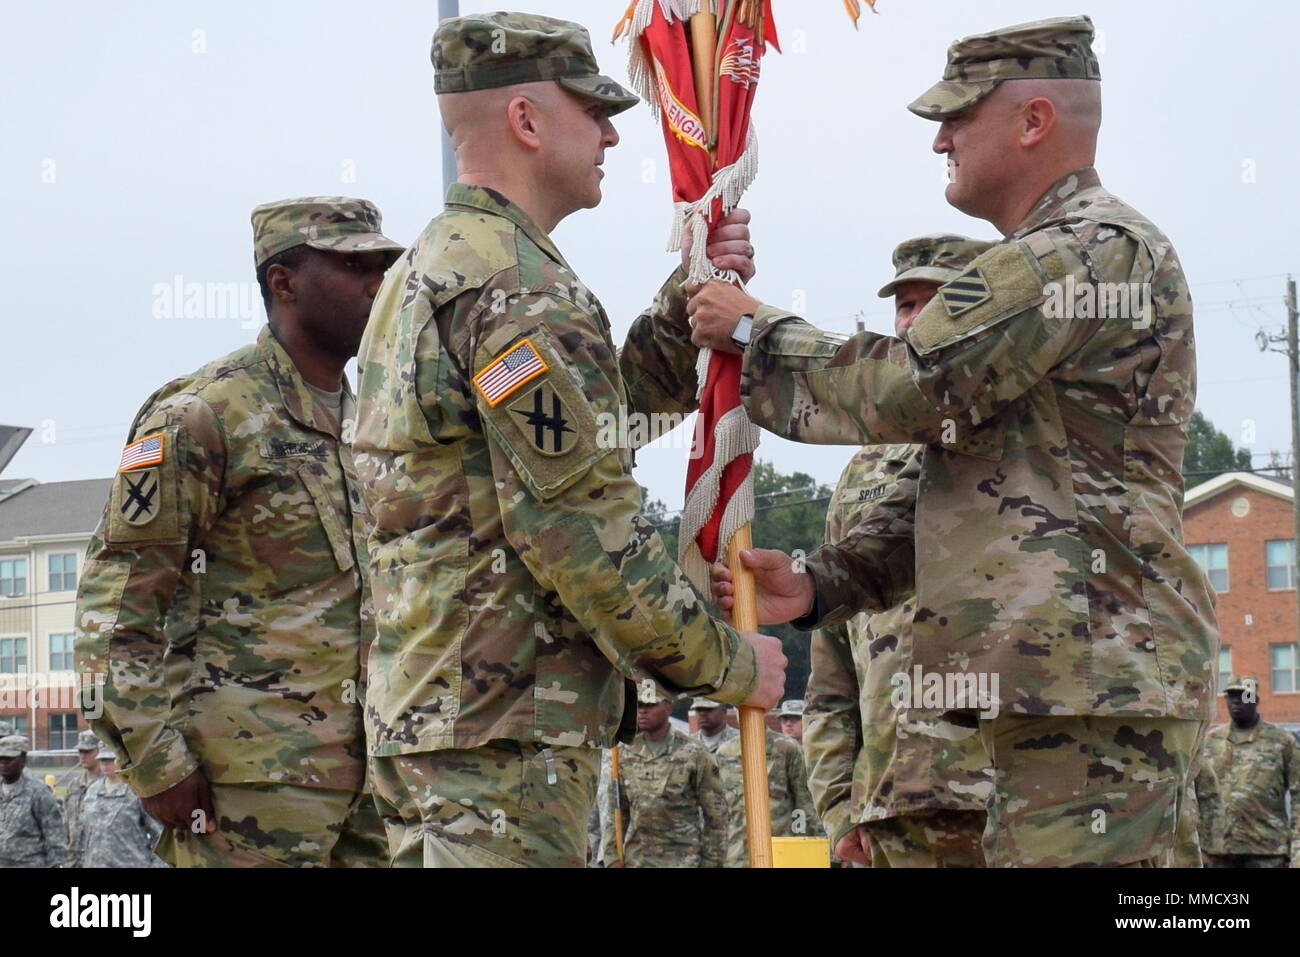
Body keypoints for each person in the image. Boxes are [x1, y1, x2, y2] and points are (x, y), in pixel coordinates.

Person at [695, 15, 1217, 867]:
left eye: (957, 115)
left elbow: (912, 384)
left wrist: (757, 332)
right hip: (1062, 689)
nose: (939, 137)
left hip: (1093, 684)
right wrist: (823, 583)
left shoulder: (1089, 251)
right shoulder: (1047, 257)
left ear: (1034, 120)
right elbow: (971, 482)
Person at [353, 12, 785, 868]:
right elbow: (585, 531)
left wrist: (680, 308)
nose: (614, 134)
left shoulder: (433, 269)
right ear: (525, 120)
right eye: (593, 110)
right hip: (504, 736)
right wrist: (728, 663)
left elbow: (592, 437)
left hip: (441, 723)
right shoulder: (517, 288)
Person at [74, 197, 404, 867]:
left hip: (373, 792)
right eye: (351, 265)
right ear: (282, 282)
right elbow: (114, 611)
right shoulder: (203, 415)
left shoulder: (375, 418)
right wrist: (155, 762)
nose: (376, 284)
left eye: (382, 265)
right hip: (242, 793)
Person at [808, 235, 995, 869]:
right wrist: (839, 810)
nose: (913, 319)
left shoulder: (1034, 438)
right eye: (904, 304)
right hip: (893, 806)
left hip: (1013, 796)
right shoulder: (865, 469)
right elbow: (832, 667)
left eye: (933, 300)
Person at [603, 684, 728, 867]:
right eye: (639, 705)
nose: (643, 711)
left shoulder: (694, 753)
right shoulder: (624, 753)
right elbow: (615, 811)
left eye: (650, 705)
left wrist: (712, 862)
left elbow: (716, 815)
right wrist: (612, 857)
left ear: (668, 707)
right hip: (637, 860)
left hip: (683, 860)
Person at [1201, 676, 1299, 868]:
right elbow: (1196, 794)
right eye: (1232, 696)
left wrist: (1297, 850)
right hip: (1217, 850)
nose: (1237, 701)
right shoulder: (1210, 741)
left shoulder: (1281, 741)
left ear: (1256, 700)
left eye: (1245, 696)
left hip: (1266, 849)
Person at [715, 720, 820, 867]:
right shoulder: (724, 753)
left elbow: (804, 803)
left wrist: (804, 843)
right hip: (737, 854)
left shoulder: (787, 749)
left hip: (780, 851)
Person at [79, 747, 168, 868]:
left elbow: (161, 837)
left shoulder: (138, 792)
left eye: (111, 760)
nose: (106, 764)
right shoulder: (92, 791)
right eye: (102, 760)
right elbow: (84, 834)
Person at [0, 734, 67, 867]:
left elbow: (55, 839)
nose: (3, 764)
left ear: (23, 760)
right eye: (1, 759)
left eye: (9, 759)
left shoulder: (38, 793)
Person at [58, 729, 102, 867]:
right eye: (80, 752)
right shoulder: (74, 786)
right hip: (72, 858)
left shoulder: (108, 786)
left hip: (98, 857)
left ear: (99, 751)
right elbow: (66, 821)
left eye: (88, 752)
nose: (83, 756)